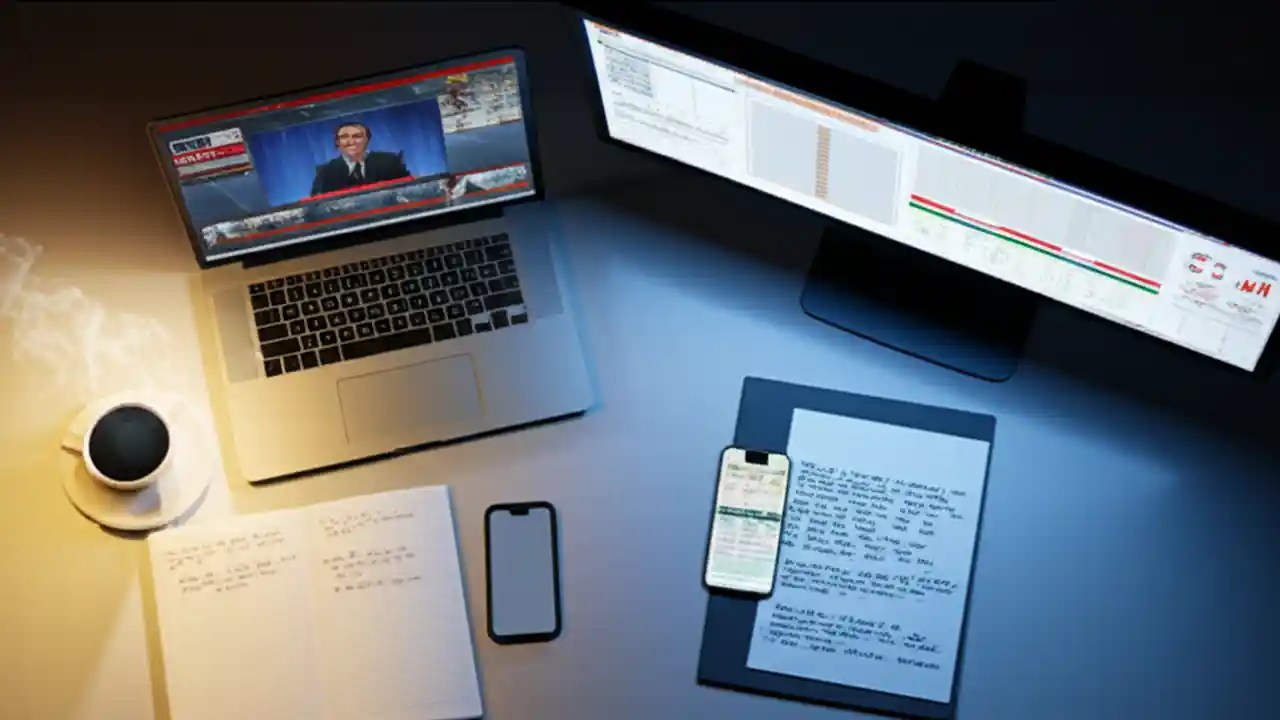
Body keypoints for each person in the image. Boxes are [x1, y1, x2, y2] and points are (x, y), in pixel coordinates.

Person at [310, 122, 410, 196]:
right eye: (344, 137)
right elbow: (316, 206)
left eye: (357, 136)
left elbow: (410, 191)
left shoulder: (390, 161)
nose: (351, 141)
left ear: (367, 139)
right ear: (337, 142)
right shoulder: (325, 172)